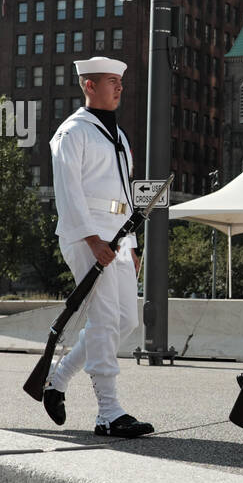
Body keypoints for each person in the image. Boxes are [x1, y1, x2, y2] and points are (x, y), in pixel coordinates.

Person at [41, 57, 153, 438]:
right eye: (110, 82)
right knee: (105, 320)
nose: (119, 88)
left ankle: (58, 377)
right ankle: (108, 412)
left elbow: (125, 193)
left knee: (125, 321)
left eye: (120, 82)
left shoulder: (118, 135)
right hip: (88, 235)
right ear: (89, 86)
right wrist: (93, 239)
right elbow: (68, 192)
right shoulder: (72, 133)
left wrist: (132, 246)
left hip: (118, 237)